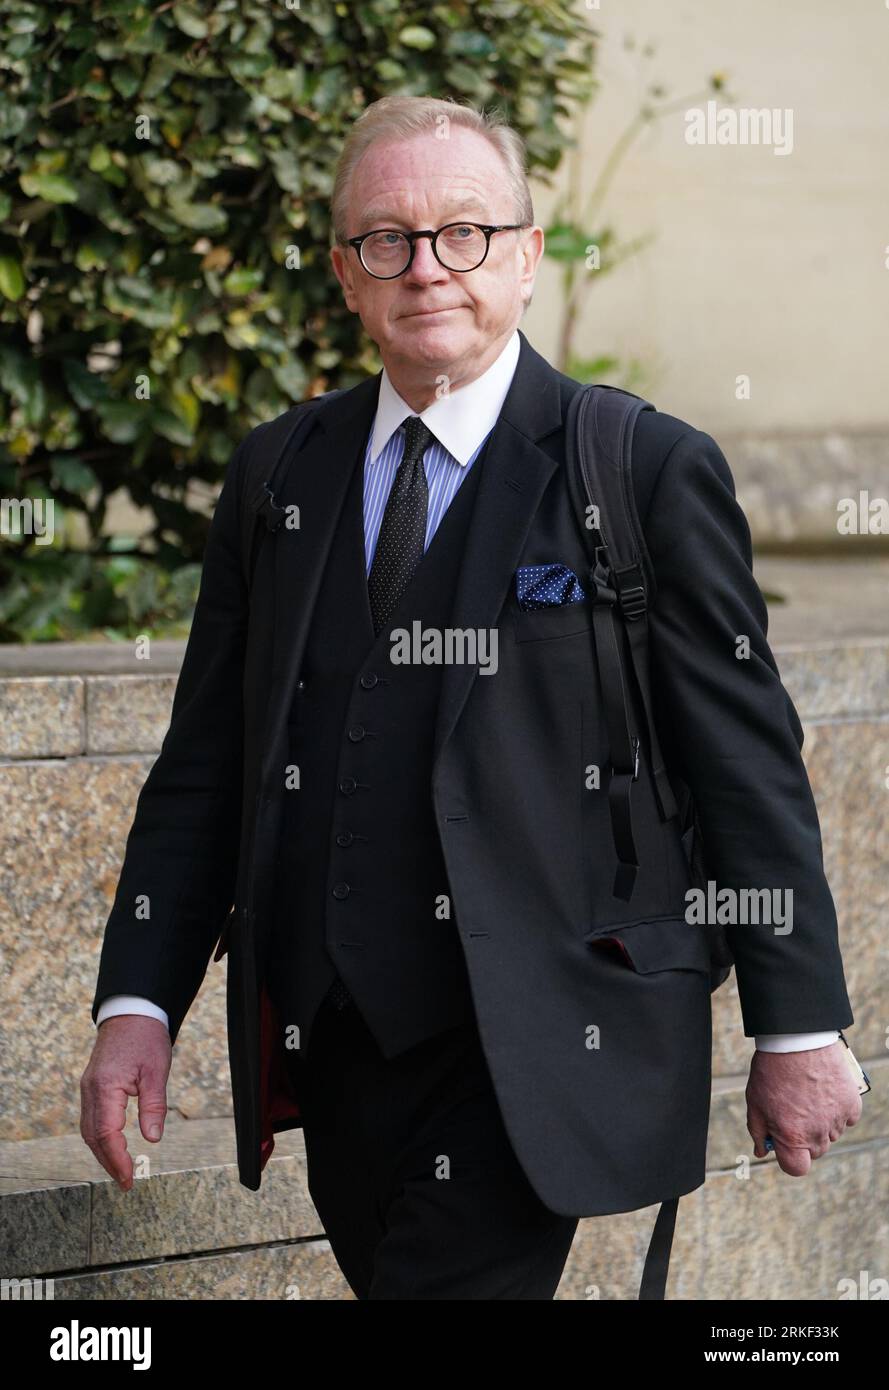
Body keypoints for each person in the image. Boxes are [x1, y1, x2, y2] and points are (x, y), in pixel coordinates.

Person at [82, 94, 860, 1300]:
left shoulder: (640, 467)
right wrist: (139, 998)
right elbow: (207, 761)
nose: (427, 266)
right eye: (386, 239)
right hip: (338, 1043)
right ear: (345, 273)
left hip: (541, 1039)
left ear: (528, 255)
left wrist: (796, 1023)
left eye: (465, 233)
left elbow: (745, 758)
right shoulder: (277, 472)